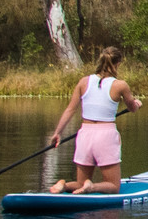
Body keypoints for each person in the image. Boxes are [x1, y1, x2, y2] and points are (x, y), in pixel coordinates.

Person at [47, 46, 141, 194]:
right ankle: (91, 187)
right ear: (118, 64)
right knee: (113, 186)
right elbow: (132, 108)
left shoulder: (83, 82)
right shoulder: (120, 85)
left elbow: (70, 109)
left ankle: (64, 185)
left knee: (79, 183)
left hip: (85, 134)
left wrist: (57, 133)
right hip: (105, 135)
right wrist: (137, 104)